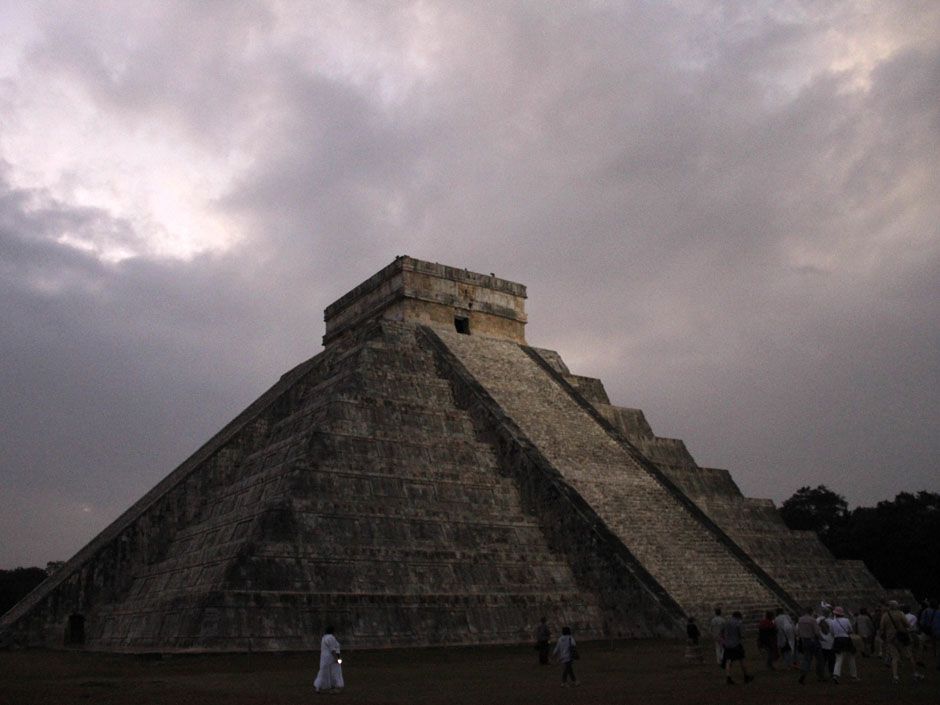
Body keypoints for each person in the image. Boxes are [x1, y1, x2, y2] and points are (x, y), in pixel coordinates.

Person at [880, 600, 924, 683]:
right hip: (901, 637)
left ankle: (895, 676)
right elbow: (907, 624)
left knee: (895, 657)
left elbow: (882, 628)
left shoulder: (885, 615)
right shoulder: (900, 614)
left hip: (890, 639)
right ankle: (915, 673)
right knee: (909, 655)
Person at [721, 611, 753, 685]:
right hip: (736, 644)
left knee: (728, 661)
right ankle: (746, 676)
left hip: (727, 644)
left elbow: (722, 632)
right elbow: (742, 634)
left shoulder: (727, 622)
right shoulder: (739, 623)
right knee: (742, 660)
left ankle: (728, 677)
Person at [796, 606, 825, 684]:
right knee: (820, 659)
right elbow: (816, 632)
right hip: (813, 640)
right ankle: (820, 676)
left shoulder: (800, 619)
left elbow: (798, 631)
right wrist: (822, 639)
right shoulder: (812, 620)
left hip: (804, 641)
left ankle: (803, 674)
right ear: (811, 612)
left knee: (806, 659)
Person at [830, 606, 858, 683]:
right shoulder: (846, 620)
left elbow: (832, 632)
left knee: (838, 659)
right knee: (851, 658)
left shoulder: (832, 622)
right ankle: (854, 675)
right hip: (846, 640)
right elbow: (850, 630)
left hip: (837, 640)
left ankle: (836, 674)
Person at [314, 626, 344, 694]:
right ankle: (336, 687)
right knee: (335, 672)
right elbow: (333, 650)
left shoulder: (324, 638)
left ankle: (318, 687)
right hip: (331, 658)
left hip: (324, 658)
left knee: (323, 672)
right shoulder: (331, 638)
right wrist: (338, 658)